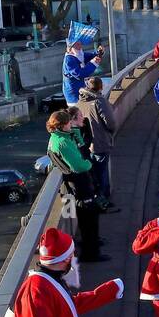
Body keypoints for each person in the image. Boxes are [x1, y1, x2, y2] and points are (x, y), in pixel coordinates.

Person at [46, 110, 104, 263]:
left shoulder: (56, 138)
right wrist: (89, 163)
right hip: (80, 184)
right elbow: (78, 165)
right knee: (89, 218)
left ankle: (91, 248)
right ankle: (91, 253)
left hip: (74, 184)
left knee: (87, 218)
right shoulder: (63, 142)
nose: (71, 126)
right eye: (68, 123)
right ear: (62, 125)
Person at [76, 77, 117, 209]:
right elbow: (110, 122)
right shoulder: (100, 101)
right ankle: (103, 200)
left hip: (86, 144)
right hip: (100, 143)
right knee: (102, 173)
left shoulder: (80, 102)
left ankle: (97, 198)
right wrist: (110, 132)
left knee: (93, 174)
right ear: (100, 87)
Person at [61, 35, 102, 106]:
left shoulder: (78, 54)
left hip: (79, 91)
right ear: (71, 48)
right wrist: (93, 63)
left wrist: (98, 53)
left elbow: (89, 56)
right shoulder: (69, 60)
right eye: (77, 45)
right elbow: (79, 74)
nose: (80, 47)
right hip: (74, 95)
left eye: (80, 44)